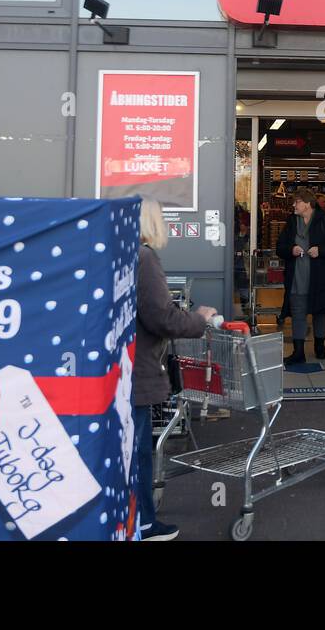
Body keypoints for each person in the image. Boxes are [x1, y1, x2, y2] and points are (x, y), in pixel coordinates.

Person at [133, 197, 216, 541]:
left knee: (130, 449)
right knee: (139, 452)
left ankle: (132, 518)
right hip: (138, 371)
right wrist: (199, 320)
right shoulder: (145, 258)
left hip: (122, 367)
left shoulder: (120, 255)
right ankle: (144, 523)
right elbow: (162, 316)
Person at [276, 187, 325, 365]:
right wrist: (291, 249)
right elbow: (280, 246)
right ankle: (298, 352)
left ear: (307, 204)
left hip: (320, 277)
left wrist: (321, 250)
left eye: (296, 202)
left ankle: (320, 346)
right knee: (298, 313)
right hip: (297, 278)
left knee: (320, 313)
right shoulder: (292, 222)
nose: (293, 205)